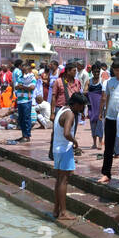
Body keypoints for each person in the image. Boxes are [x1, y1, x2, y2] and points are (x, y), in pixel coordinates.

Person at [50, 91, 88, 221]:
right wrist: (75, 141)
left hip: (57, 148)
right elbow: (67, 133)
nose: (83, 109)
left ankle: (56, 210)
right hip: (64, 149)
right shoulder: (70, 114)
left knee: (59, 180)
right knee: (64, 181)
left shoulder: (62, 109)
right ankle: (63, 212)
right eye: (82, 106)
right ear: (76, 104)